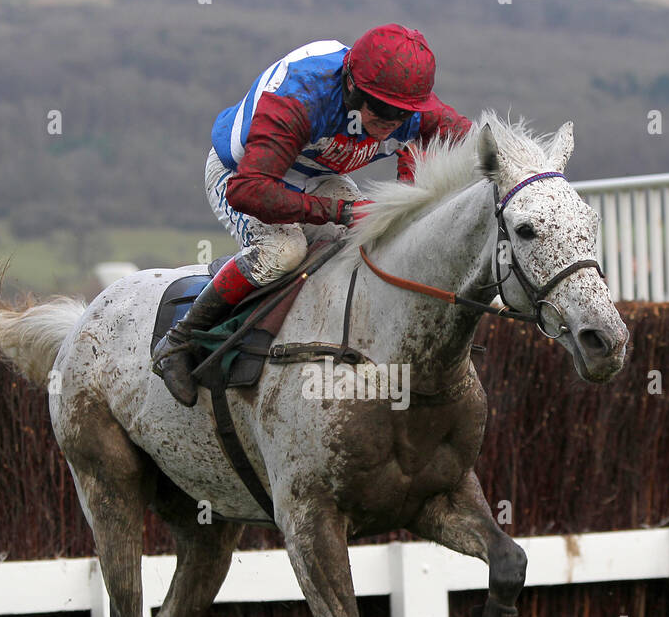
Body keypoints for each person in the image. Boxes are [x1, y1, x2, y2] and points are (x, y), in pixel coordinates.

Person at [153, 23, 474, 406]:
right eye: (383, 109)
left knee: (367, 243)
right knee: (283, 253)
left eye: (405, 112)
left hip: (317, 176)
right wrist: (338, 211)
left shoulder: (409, 107)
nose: (392, 121)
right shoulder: (301, 98)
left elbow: (473, 144)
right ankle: (179, 340)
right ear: (352, 85)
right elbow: (250, 190)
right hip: (241, 176)